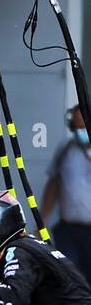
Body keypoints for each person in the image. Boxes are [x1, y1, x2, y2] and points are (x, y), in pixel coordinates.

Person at [41, 105, 91, 283]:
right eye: (76, 126)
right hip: (68, 230)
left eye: (83, 126)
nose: (79, 131)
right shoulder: (66, 149)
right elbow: (54, 184)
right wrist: (43, 219)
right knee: (69, 278)